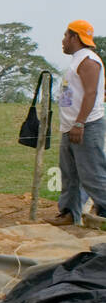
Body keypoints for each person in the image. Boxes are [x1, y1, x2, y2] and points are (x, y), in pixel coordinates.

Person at [47, 19, 106, 226]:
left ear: (75, 37)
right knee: (70, 175)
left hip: (85, 126)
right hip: (71, 126)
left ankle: (104, 212)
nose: (63, 40)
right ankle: (69, 213)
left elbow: (91, 93)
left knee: (92, 173)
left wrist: (80, 123)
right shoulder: (77, 61)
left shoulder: (88, 61)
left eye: (65, 36)